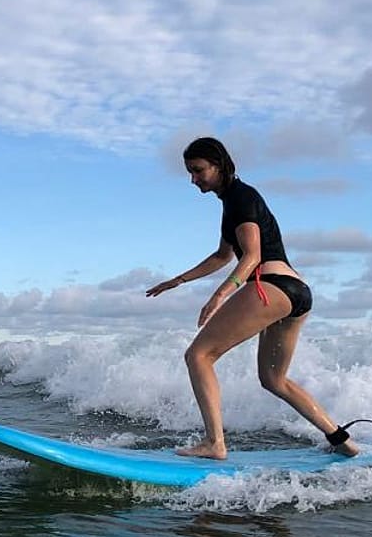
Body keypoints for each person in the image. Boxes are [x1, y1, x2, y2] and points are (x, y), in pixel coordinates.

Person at [145, 136, 359, 460]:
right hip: (296, 293)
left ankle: (215, 444)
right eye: (190, 172)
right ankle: (342, 440)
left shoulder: (241, 198)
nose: (193, 179)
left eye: (198, 170)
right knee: (274, 379)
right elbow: (222, 256)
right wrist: (178, 280)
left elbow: (252, 256)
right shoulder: (234, 201)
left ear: (218, 165)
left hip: (270, 285)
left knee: (198, 356)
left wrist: (219, 295)